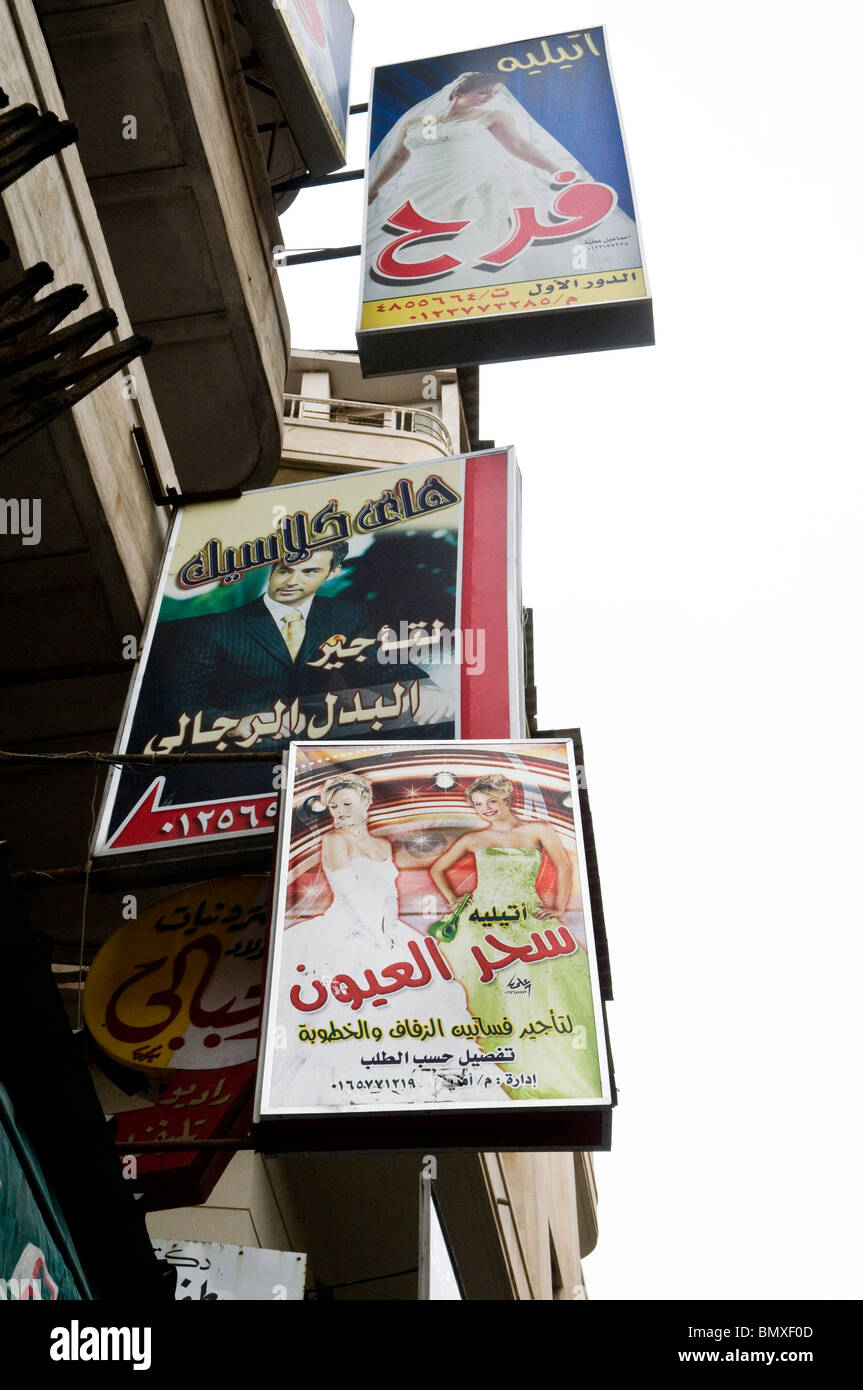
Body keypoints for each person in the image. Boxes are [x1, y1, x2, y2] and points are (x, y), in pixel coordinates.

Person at [269, 774, 504, 1108]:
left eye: (347, 804)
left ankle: (431, 1084)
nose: (340, 812)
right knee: (351, 1013)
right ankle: (350, 1091)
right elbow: (347, 889)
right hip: (347, 931)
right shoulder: (335, 840)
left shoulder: (382, 845)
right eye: (334, 807)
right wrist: (376, 935)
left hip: (388, 930)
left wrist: (391, 931)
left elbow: (387, 893)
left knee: (424, 1004)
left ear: (366, 803)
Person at [135, 542, 453, 749]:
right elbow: (178, 703)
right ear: (271, 569)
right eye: (284, 570)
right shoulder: (215, 627)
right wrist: (229, 724)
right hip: (236, 752)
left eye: (309, 571)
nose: (292, 581)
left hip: (314, 748)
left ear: (332, 573)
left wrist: (425, 690)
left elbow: (374, 666)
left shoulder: (349, 615)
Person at [366, 70, 640, 281]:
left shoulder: (493, 116)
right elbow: (399, 156)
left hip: (473, 184)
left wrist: (558, 170)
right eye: (483, 92)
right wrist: (375, 187)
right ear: (460, 90)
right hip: (420, 186)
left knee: (478, 237)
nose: (489, 97)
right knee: (404, 241)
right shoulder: (415, 122)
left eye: (493, 93)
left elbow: (520, 146)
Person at [429, 773, 603, 1101]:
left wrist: (558, 907)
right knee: (478, 991)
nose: (486, 810)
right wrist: (456, 901)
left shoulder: (537, 830)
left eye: (491, 802)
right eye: (479, 805)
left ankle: (542, 1072)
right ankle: (485, 1073)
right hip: (481, 921)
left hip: (528, 917)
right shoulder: (474, 839)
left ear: (507, 798)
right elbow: (438, 869)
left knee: (542, 992)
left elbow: (564, 867)